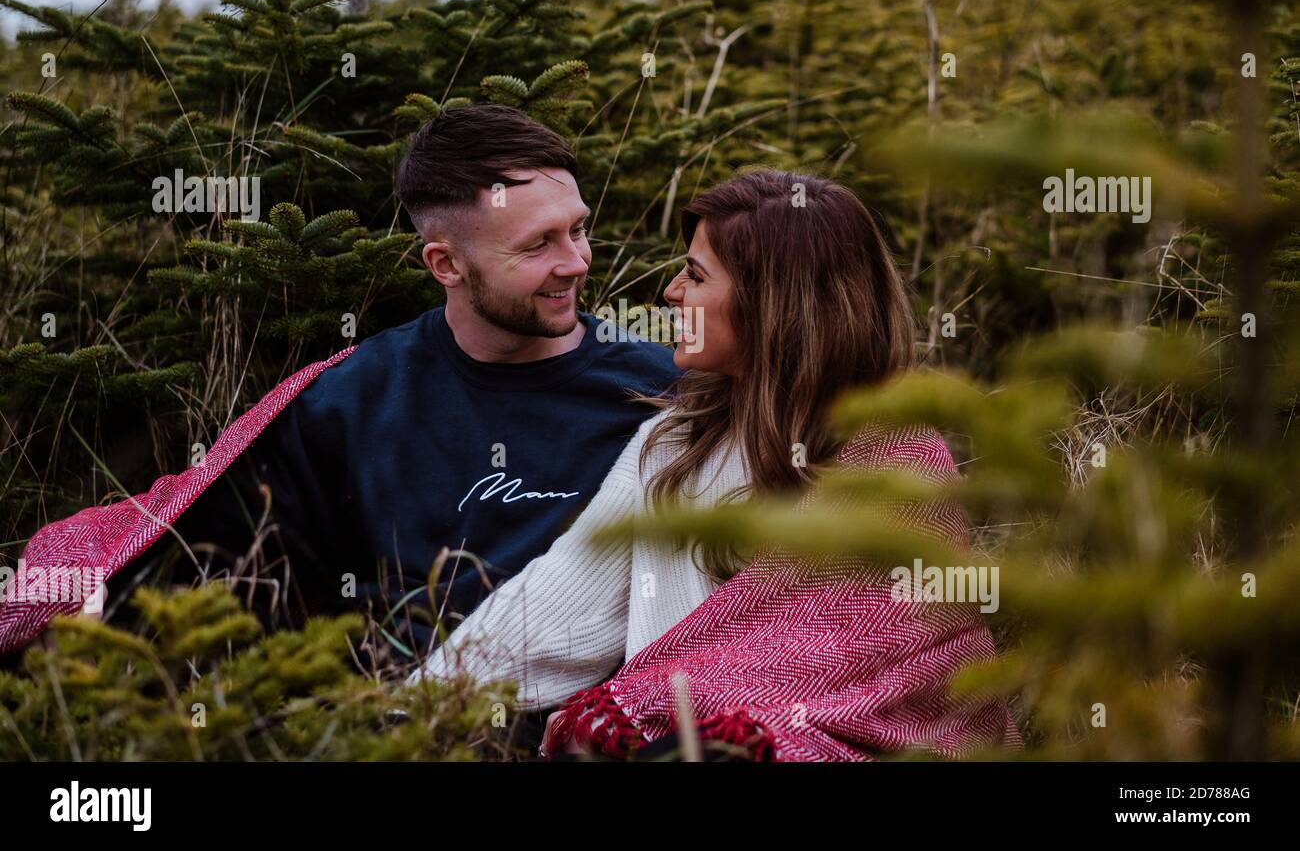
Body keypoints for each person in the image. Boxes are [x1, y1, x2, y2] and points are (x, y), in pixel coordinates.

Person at [0, 105, 681, 673]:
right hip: (405, 714)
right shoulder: (356, 399)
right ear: (445, 264)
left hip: (605, 716)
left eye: (579, 229)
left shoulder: (660, 388)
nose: (576, 262)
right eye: (539, 246)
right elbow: (210, 548)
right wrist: (75, 606)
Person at [410, 168, 1023, 761]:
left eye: (695, 275)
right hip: (667, 739)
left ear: (770, 304)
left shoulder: (895, 458)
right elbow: (553, 609)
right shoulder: (673, 446)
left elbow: (898, 661)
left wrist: (736, 713)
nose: (672, 292)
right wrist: (401, 717)